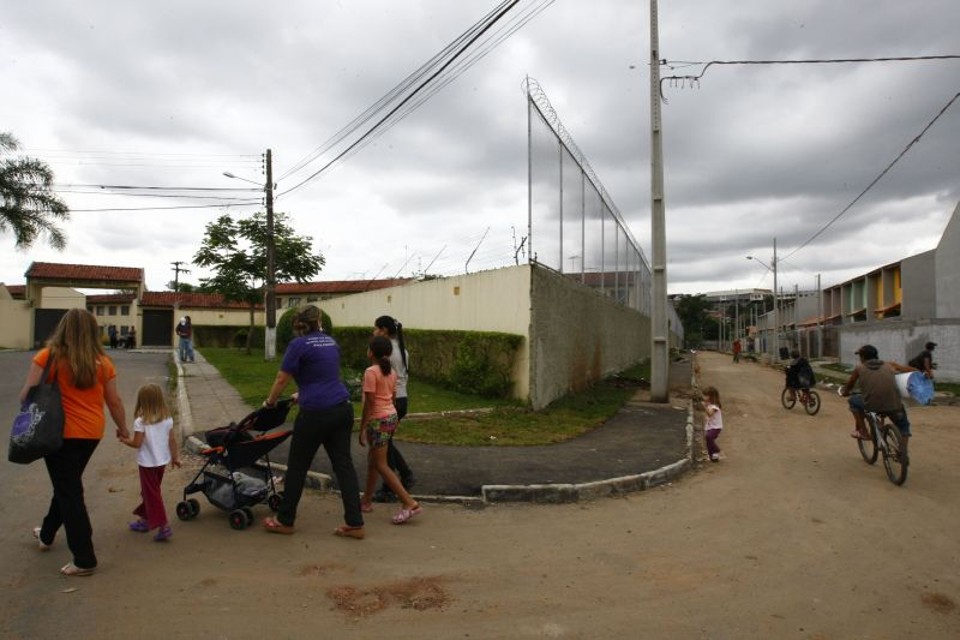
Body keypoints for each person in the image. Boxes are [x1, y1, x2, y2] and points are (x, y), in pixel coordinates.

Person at [19, 308, 129, 577]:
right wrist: (123, 428)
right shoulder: (103, 361)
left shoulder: (49, 357)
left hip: (58, 434)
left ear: (63, 328)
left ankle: (84, 558)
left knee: (69, 492)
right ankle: (46, 534)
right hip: (91, 434)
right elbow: (113, 401)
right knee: (66, 485)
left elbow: (27, 396)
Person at [261, 305, 365, 539]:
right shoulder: (331, 342)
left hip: (315, 414)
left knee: (297, 467)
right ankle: (355, 523)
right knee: (344, 466)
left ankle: (285, 520)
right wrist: (303, 392)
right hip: (342, 409)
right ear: (319, 321)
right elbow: (323, 375)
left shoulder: (298, 345)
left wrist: (269, 404)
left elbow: (281, 379)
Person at [359, 335, 422, 524]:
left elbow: (369, 404)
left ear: (371, 352)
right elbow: (393, 398)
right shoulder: (391, 372)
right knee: (374, 460)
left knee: (381, 464)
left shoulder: (371, 372)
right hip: (389, 417)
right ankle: (366, 501)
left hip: (377, 419)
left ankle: (409, 503)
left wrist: (362, 427)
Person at [119, 383, 180, 542]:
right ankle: (145, 521)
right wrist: (175, 457)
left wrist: (124, 440)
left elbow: (136, 444)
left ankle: (163, 525)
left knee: (152, 494)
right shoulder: (167, 419)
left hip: (147, 464)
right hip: (162, 462)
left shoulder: (141, 421)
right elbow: (172, 440)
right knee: (150, 492)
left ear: (142, 401)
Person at [840, 345, 916, 462]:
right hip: (895, 404)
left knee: (853, 401)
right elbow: (911, 371)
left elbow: (850, 385)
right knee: (903, 427)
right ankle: (903, 453)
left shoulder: (859, 368)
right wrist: (923, 374)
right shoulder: (890, 365)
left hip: (871, 404)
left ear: (863, 357)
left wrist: (845, 392)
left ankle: (863, 432)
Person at [371, 315, 415, 503]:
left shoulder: (389, 352)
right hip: (401, 398)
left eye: (376, 329)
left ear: (385, 331)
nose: (374, 332)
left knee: (384, 445)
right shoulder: (401, 349)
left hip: (393, 400)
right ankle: (406, 475)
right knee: (386, 442)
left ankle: (390, 488)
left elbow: (383, 377)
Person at [702, 386, 723, 462]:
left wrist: (704, 407)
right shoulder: (709, 405)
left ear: (711, 396)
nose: (703, 397)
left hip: (716, 427)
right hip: (710, 426)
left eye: (705, 395)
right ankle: (712, 456)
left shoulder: (715, 406)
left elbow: (710, 414)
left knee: (709, 437)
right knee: (708, 441)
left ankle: (716, 450)